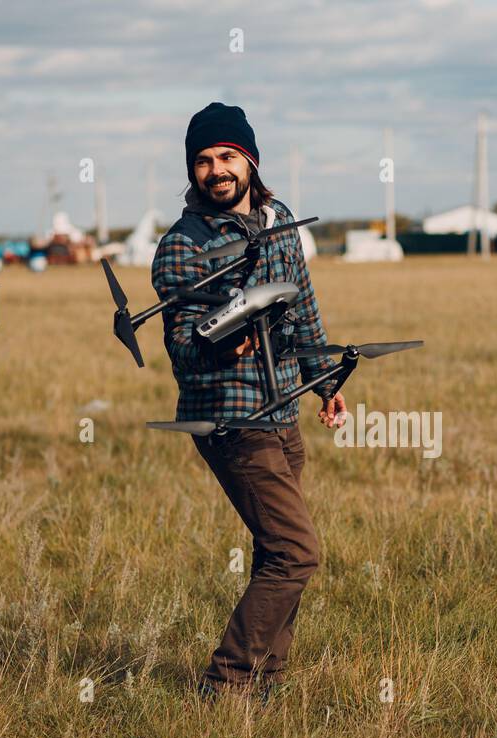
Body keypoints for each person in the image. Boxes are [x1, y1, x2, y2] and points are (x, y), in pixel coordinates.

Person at [151, 102, 346, 699]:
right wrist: (222, 343)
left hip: (282, 406)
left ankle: (265, 681)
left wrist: (325, 381)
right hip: (231, 418)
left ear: (250, 161)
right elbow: (182, 342)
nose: (216, 170)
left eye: (227, 157)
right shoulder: (182, 244)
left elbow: (302, 300)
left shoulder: (279, 219)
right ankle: (227, 680)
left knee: (276, 550)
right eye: (204, 161)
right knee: (297, 551)